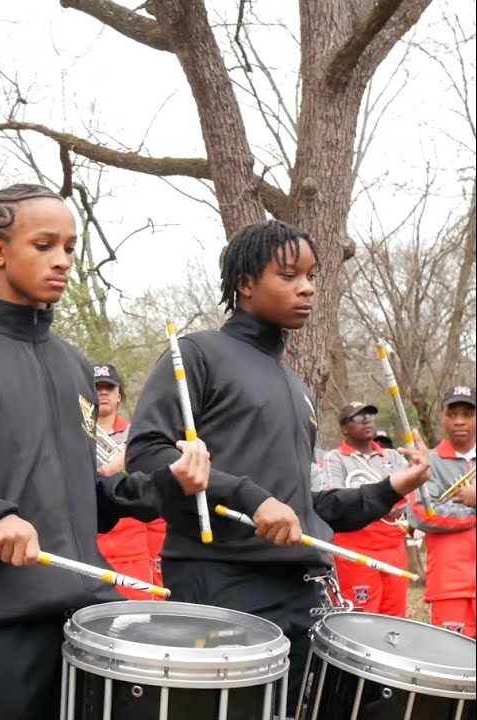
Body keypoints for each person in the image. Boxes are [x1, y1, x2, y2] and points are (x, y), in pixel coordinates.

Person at [0, 183, 210, 719]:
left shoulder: (74, 365)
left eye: (70, 247)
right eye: (44, 244)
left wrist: (165, 485)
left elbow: (81, 494)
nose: (62, 260)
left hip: (87, 626)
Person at [126, 219, 433, 714]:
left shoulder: (296, 386)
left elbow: (304, 508)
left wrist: (392, 487)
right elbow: (146, 453)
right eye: (289, 276)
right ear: (246, 283)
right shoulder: (198, 355)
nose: (307, 288)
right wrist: (249, 497)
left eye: (311, 276)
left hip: (300, 591)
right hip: (220, 583)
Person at [317, 402, 409, 616]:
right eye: (358, 417)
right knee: (361, 616)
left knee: (395, 617)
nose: (366, 420)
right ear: (344, 428)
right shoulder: (334, 458)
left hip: (393, 548)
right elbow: (338, 501)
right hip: (354, 550)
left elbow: (410, 495)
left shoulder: (393, 456)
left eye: (369, 415)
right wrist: (386, 497)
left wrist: (369, 501)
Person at [92, 362, 166, 599]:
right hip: (93, 542)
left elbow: (152, 494)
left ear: (119, 396)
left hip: (133, 549)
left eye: (109, 387)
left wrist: (155, 557)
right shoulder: (74, 436)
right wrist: (110, 471)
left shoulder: (137, 437)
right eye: (97, 387)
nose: (103, 393)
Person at [409, 384, 476, 637]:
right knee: (453, 657)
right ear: (442, 417)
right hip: (450, 585)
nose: (459, 421)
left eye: (467, 414)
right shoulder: (429, 461)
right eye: (452, 414)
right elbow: (422, 513)